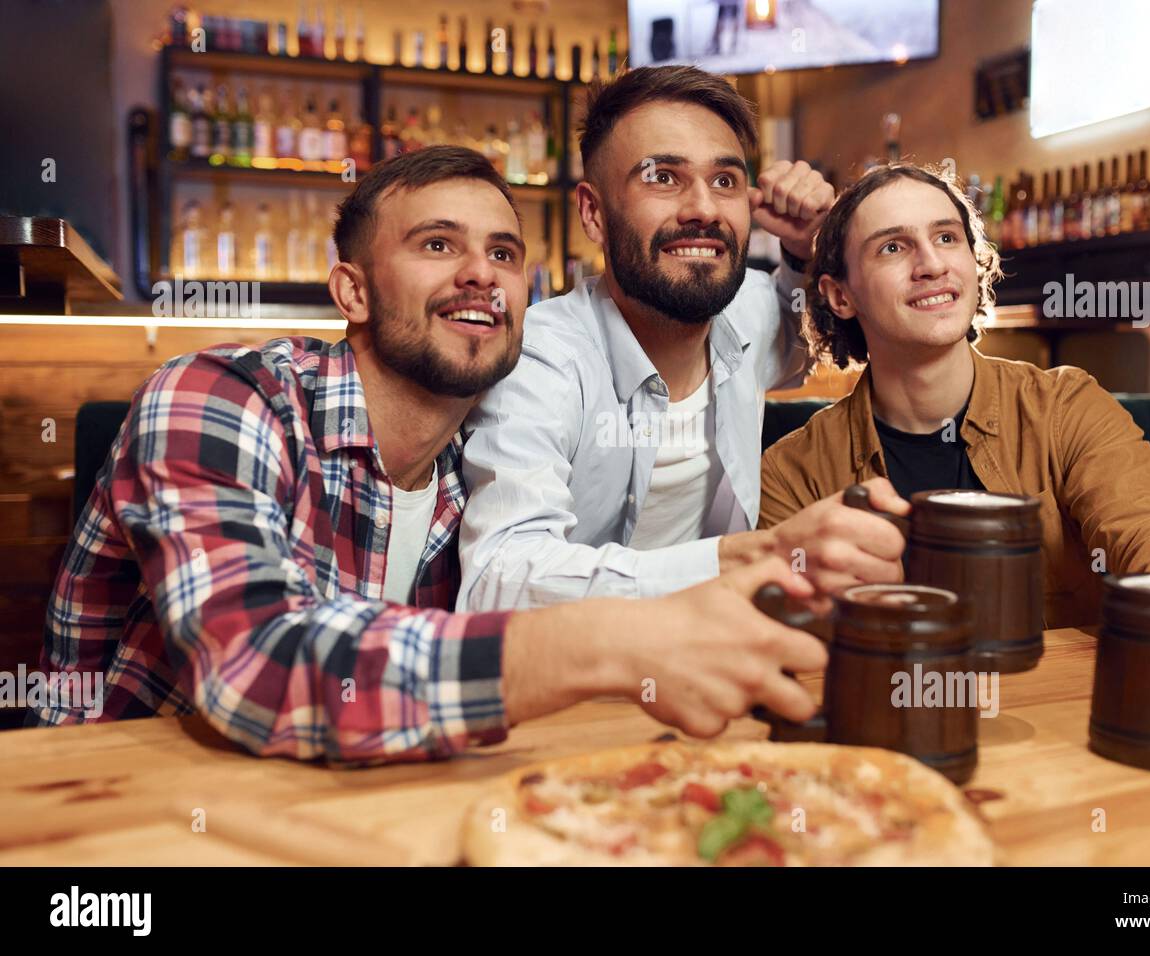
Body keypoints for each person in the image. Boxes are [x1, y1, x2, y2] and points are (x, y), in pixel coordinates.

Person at [33, 146, 829, 760]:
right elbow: (258, 669)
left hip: (350, 801)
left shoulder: (470, 478)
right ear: (352, 291)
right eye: (438, 245)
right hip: (126, 812)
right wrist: (611, 643)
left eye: (505, 255)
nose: (481, 274)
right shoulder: (222, 399)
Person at [759, 162, 1150, 684]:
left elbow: (1145, 524)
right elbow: (781, 637)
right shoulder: (792, 472)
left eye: (946, 237)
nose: (931, 264)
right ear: (840, 295)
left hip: (1063, 727)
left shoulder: (1064, 406)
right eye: (892, 247)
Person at [459, 65, 909, 611]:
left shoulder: (745, 315)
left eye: (725, 181)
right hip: (587, 677)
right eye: (663, 177)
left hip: (721, 661)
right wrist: (744, 559)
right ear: (594, 213)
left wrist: (801, 248)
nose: (703, 209)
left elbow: (797, 336)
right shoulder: (541, 361)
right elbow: (498, 581)